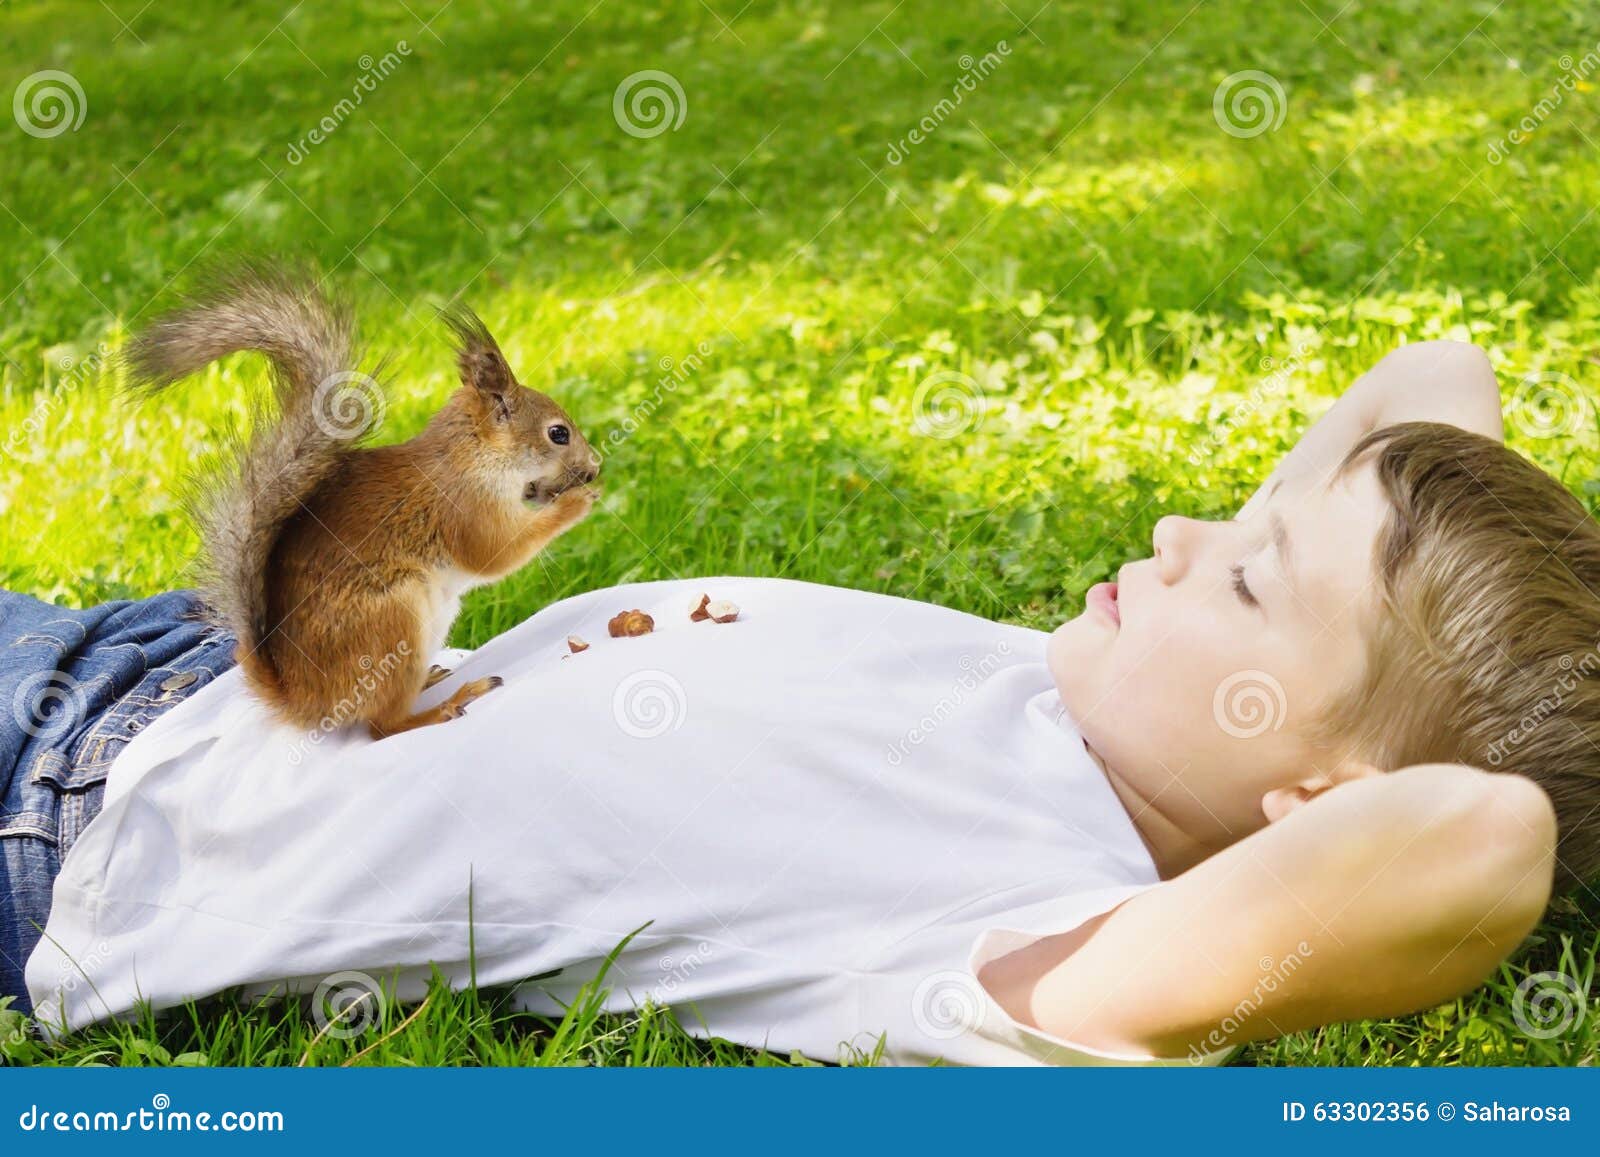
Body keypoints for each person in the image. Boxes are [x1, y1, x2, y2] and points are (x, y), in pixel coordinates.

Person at [4, 341, 1588, 1065]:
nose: (1186, 537)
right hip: (194, 671)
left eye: (1246, 580)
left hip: (81, 810)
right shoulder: (1069, 689)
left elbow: (1485, 831)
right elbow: (1428, 376)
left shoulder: (1039, 919)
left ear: (1311, 809)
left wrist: (1410, 774)